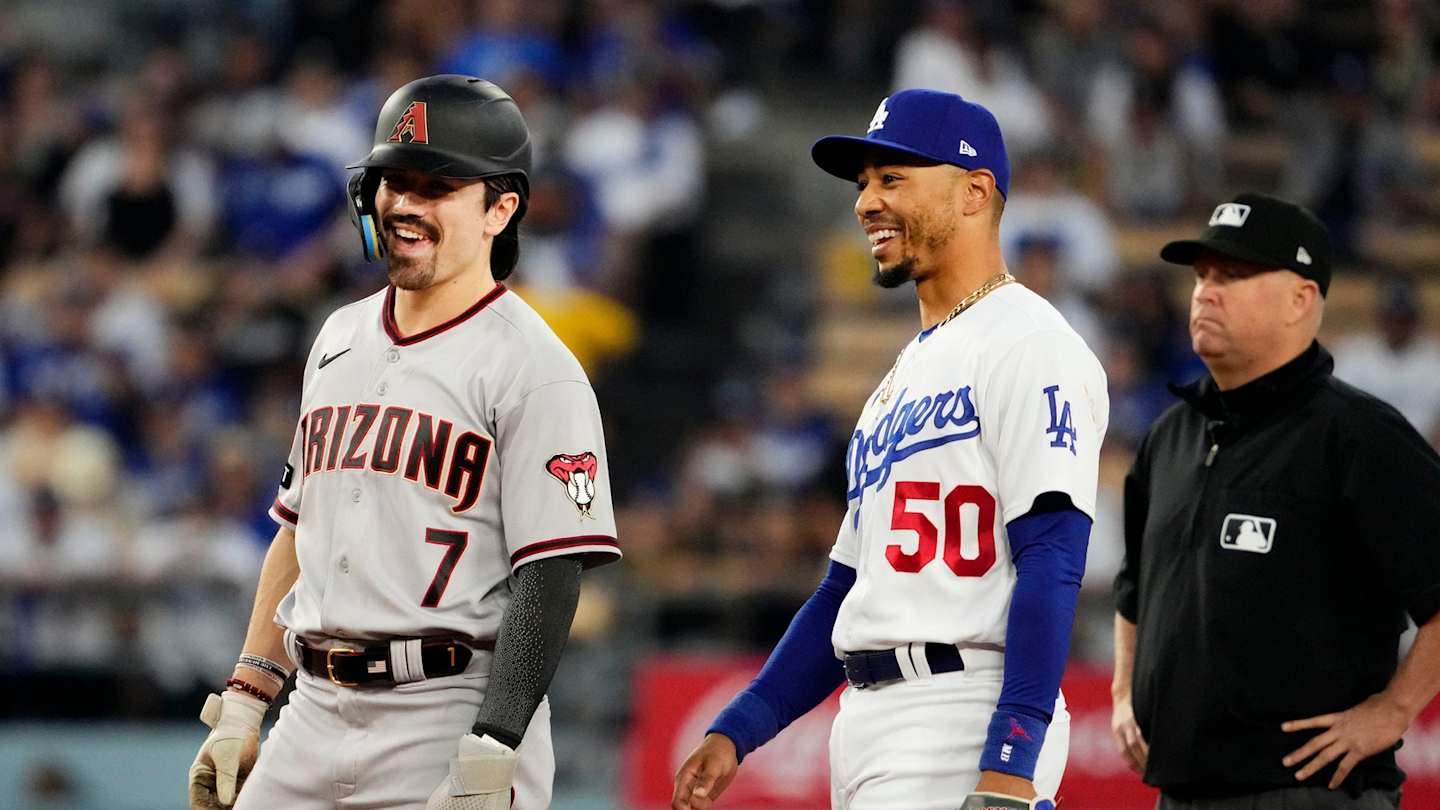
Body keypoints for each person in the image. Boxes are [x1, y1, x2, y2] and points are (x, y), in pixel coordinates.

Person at [186, 75, 621, 810]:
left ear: (500, 208)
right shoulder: (338, 336)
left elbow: (551, 576)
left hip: (447, 708)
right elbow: (299, 528)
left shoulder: (536, 367)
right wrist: (246, 696)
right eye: (395, 181)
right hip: (313, 709)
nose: (406, 205)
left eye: (439, 185)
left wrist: (494, 743)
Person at [672, 89, 1109, 810]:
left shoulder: (1032, 344)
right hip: (870, 717)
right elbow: (847, 587)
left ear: (973, 193)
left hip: (964, 708)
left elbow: (1053, 554)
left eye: (892, 178)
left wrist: (1013, 753)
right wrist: (741, 726)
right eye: (864, 183)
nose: (866, 202)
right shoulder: (898, 379)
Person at [1111, 192, 1440, 809]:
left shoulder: (1359, 434)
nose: (1205, 292)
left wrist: (1394, 710)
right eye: (1202, 275)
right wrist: (1123, 693)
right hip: (1180, 792)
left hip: (1310, 793)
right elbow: (1133, 590)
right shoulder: (1168, 437)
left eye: (1233, 276)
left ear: (1301, 299)